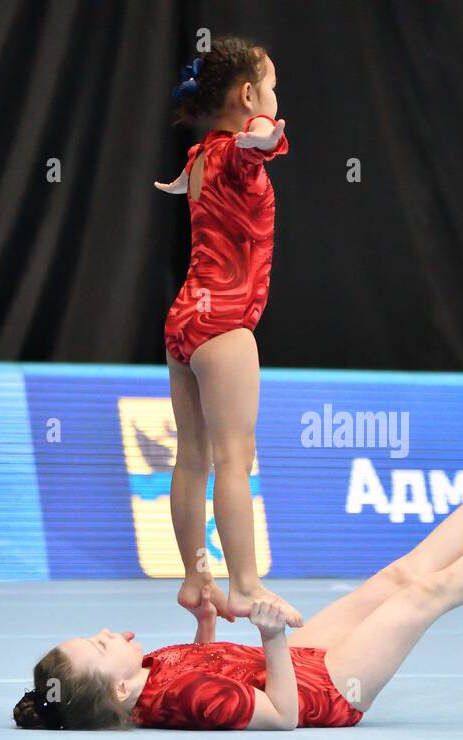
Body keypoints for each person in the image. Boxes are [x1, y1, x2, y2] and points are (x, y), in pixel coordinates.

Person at [12, 420, 463, 731]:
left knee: (396, 578)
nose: (108, 632)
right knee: (425, 595)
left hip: (301, 662)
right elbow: (282, 718)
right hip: (328, 692)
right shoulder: (189, 702)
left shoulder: (150, 675)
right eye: (97, 644)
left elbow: (210, 665)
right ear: (115, 690)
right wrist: (270, 635)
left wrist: (207, 624)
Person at [153, 37, 300, 627]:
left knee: (193, 459)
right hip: (225, 324)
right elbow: (258, 139)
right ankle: (243, 584)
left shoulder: (199, 157)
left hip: (184, 319)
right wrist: (264, 132)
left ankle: (194, 578)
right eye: (271, 87)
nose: (274, 97)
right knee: (236, 457)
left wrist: (255, 134)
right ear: (247, 95)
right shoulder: (238, 154)